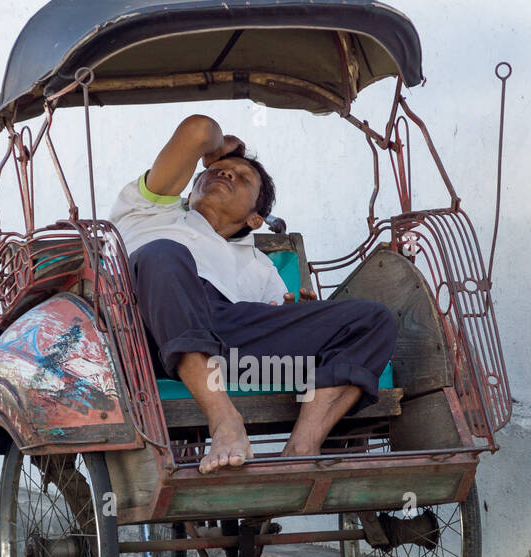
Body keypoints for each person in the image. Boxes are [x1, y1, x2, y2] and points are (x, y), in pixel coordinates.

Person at [109, 114, 395, 475]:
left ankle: (300, 452)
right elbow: (197, 130)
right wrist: (219, 148)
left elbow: (270, 325)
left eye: (242, 178)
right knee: (162, 253)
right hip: (142, 331)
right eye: (215, 170)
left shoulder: (260, 265)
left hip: (228, 334)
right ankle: (225, 420)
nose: (227, 174)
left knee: (373, 320)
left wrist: (300, 316)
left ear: (255, 219)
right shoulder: (149, 210)